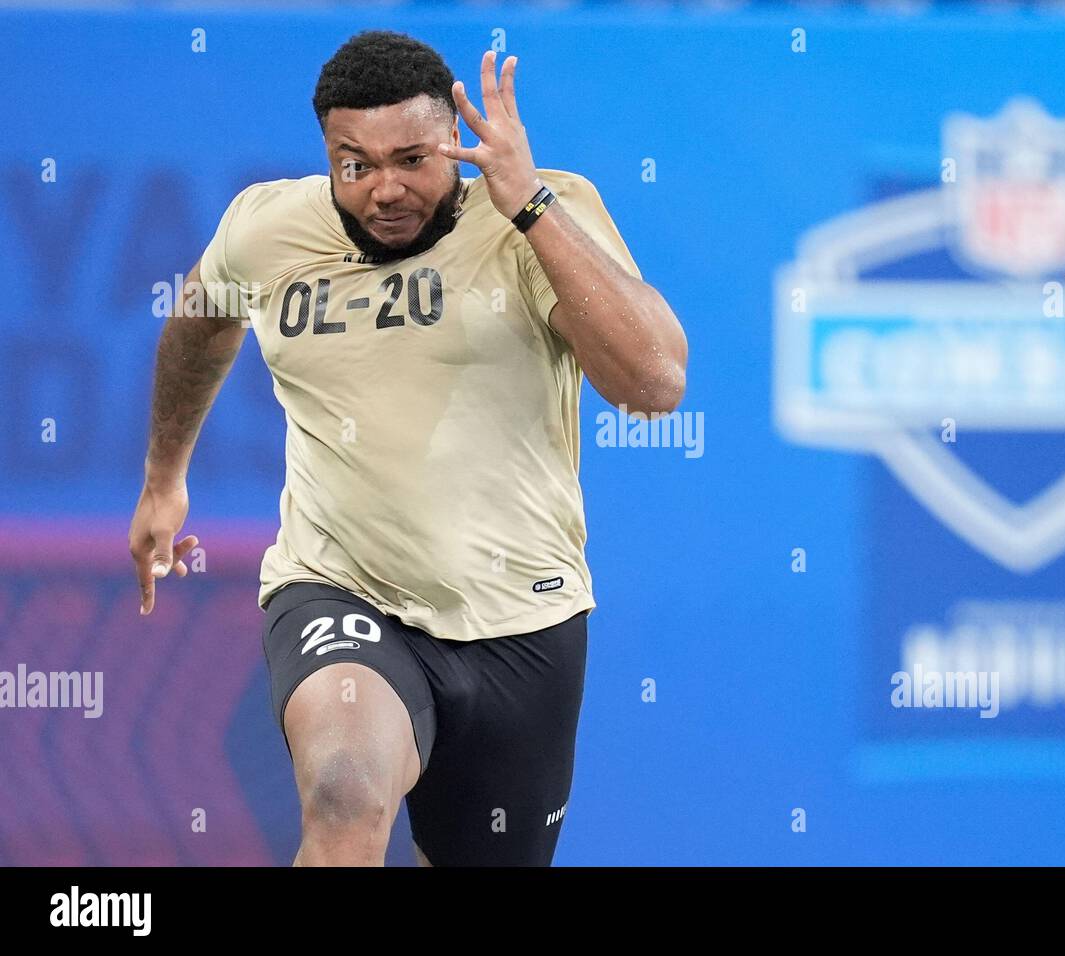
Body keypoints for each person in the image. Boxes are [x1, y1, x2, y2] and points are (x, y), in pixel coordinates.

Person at [127, 30, 687, 866]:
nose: (384, 189)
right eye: (355, 164)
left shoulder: (534, 215)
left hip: (520, 616)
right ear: (328, 156)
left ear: (456, 146)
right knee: (345, 791)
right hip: (340, 584)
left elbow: (654, 384)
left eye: (412, 159)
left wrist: (529, 204)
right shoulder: (268, 228)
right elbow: (202, 325)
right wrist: (163, 479)